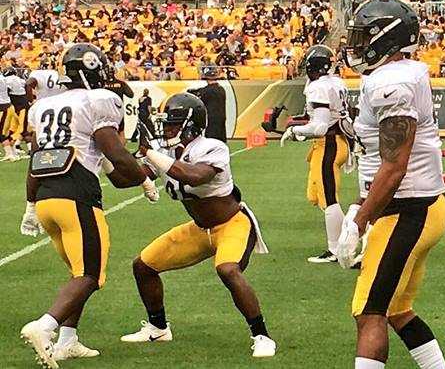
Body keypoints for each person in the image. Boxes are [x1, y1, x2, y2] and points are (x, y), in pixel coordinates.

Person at [337, 0, 445, 369]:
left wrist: (359, 219)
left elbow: (395, 166)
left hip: (408, 210)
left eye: (364, 37)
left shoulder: (392, 82)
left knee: (369, 312)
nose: (356, 45)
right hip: (421, 206)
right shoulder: (397, 75)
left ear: (387, 38)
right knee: (397, 309)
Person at [18, 44, 152, 368]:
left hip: (47, 199)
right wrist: (145, 177)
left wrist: (30, 205)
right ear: (93, 68)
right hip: (77, 197)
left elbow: (37, 158)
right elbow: (117, 153)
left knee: (77, 273)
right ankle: (44, 326)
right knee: (90, 275)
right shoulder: (98, 101)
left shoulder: (44, 105)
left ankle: (68, 341)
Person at [122, 93, 275, 357]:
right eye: (167, 122)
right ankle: (158, 328)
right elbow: (128, 178)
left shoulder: (213, 147)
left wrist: (151, 154)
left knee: (228, 270)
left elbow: (194, 176)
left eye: (173, 122)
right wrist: (108, 154)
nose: (167, 127)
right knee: (143, 266)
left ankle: (261, 335)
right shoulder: (168, 151)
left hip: (232, 224)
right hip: (199, 229)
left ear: (191, 124)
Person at [279, 45, 352, 264]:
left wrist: (294, 131)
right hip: (336, 142)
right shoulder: (336, 82)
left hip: (328, 143)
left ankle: (336, 249)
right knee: (317, 194)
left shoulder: (319, 87)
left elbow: (319, 127)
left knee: (329, 199)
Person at [189, 68, 227, 142]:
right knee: (220, 136)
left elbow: (198, 97)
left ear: (207, 79)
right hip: (221, 116)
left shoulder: (206, 91)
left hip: (211, 117)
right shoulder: (221, 89)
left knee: (211, 137)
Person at [5, 66, 28, 159]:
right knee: (22, 128)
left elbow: (7, 91)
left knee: (17, 128)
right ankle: (14, 146)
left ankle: (14, 146)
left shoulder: (7, 80)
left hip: (13, 106)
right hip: (22, 104)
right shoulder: (20, 80)